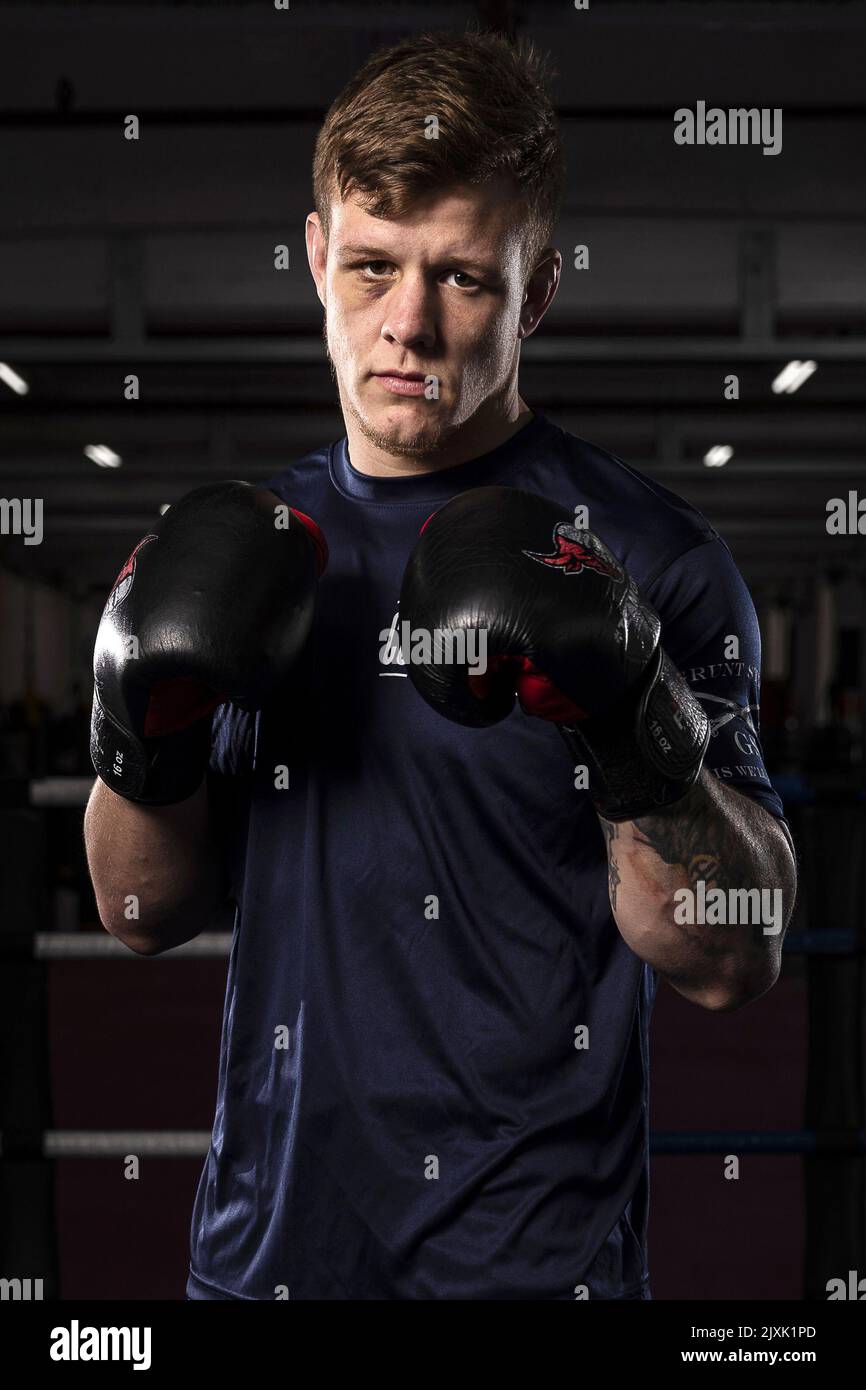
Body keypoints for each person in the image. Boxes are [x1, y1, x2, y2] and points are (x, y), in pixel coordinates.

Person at [84, 28, 796, 1301]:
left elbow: (729, 960)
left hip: (526, 1269)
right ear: (314, 258)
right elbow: (140, 916)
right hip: (268, 1256)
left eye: (462, 278)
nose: (406, 324)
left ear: (535, 293)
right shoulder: (251, 548)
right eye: (370, 267)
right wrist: (144, 725)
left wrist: (634, 724)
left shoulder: (649, 556)